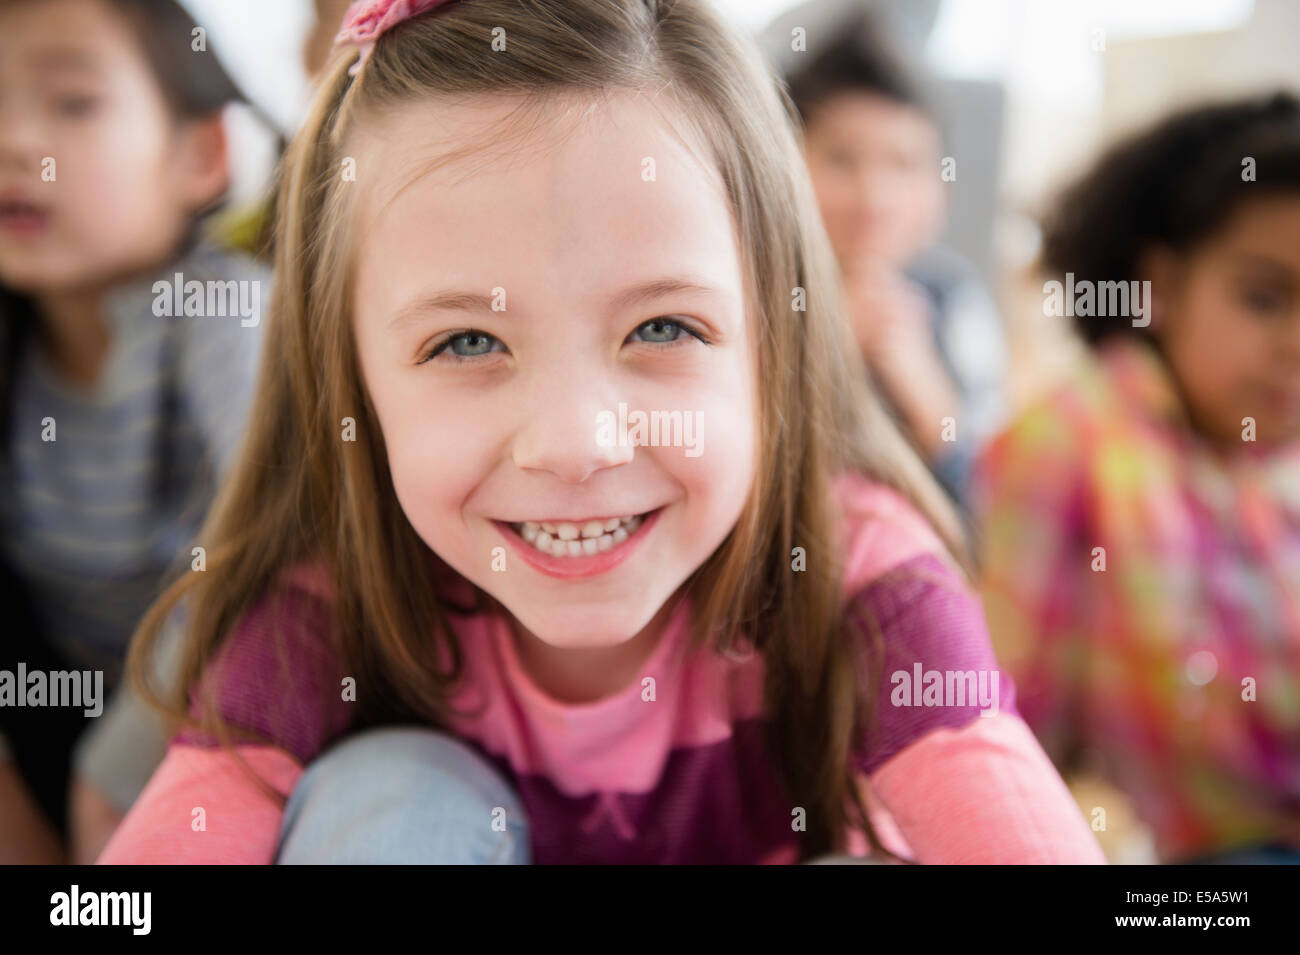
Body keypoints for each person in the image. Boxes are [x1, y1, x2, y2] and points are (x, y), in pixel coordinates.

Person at [99, 0, 1102, 865]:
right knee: (396, 786)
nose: (575, 444)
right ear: (346, 378)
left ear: (774, 335)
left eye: (662, 327)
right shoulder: (329, 597)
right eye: (465, 341)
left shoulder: (863, 571)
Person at [976, 92, 1300, 864]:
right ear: (1161, 287)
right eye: (1263, 297)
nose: (1296, 344)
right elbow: (1002, 712)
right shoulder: (1070, 439)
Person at [0, 0, 267, 863]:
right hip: (50, 726)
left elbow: (267, 546)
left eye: (72, 103)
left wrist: (115, 770)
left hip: (227, 710)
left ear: (203, 153)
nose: (11, 143)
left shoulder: (226, 315)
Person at [786, 16, 1007, 507]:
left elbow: (995, 499)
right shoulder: (754, 289)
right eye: (841, 159)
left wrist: (926, 394)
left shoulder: (954, 299)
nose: (874, 198)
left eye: (904, 163)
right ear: (779, 164)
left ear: (942, 189)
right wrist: (829, 353)